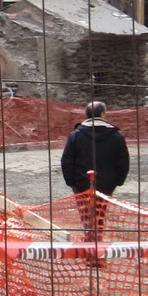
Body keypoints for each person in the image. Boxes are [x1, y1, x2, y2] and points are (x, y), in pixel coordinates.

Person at [60, 101, 130, 240]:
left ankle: (91, 239)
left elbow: (67, 161)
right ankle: (95, 239)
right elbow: (123, 161)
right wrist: (118, 181)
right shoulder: (116, 136)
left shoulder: (76, 135)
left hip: (81, 182)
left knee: (86, 213)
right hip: (107, 183)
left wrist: (72, 183)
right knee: (100, 212)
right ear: (103, 114)